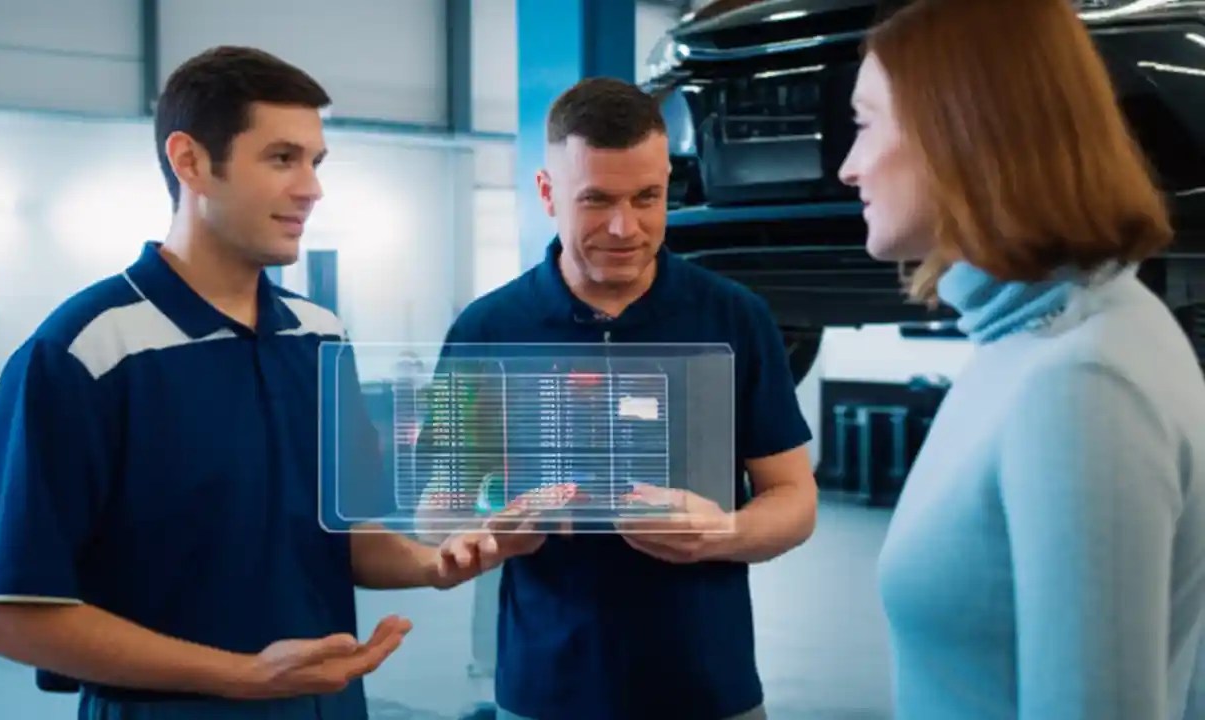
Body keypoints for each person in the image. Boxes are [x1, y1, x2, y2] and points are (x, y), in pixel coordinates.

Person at [0, 45, 504, 720]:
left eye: (315, 162)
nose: (312, 188)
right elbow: (8, 617)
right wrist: (242, 676)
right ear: (190, 162)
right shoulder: (82, 353)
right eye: (281, 158)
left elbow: (344, 533)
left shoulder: (321, 336)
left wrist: (433, 564)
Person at [836, 1, 1205, 718]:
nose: (850, 168)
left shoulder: (1081, 383)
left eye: (865, 121)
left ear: (960, 127)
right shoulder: (1038, 343)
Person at [430, 77, 820, 720]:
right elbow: (435, 507)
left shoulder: (736, 318)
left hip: (706, 686)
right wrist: (489, 533)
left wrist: (721, 533)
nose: (625, 227)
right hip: (544, 688)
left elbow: (794, 499)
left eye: (648, 197)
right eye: (597, 200)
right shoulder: (486, 329)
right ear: (548, 194)